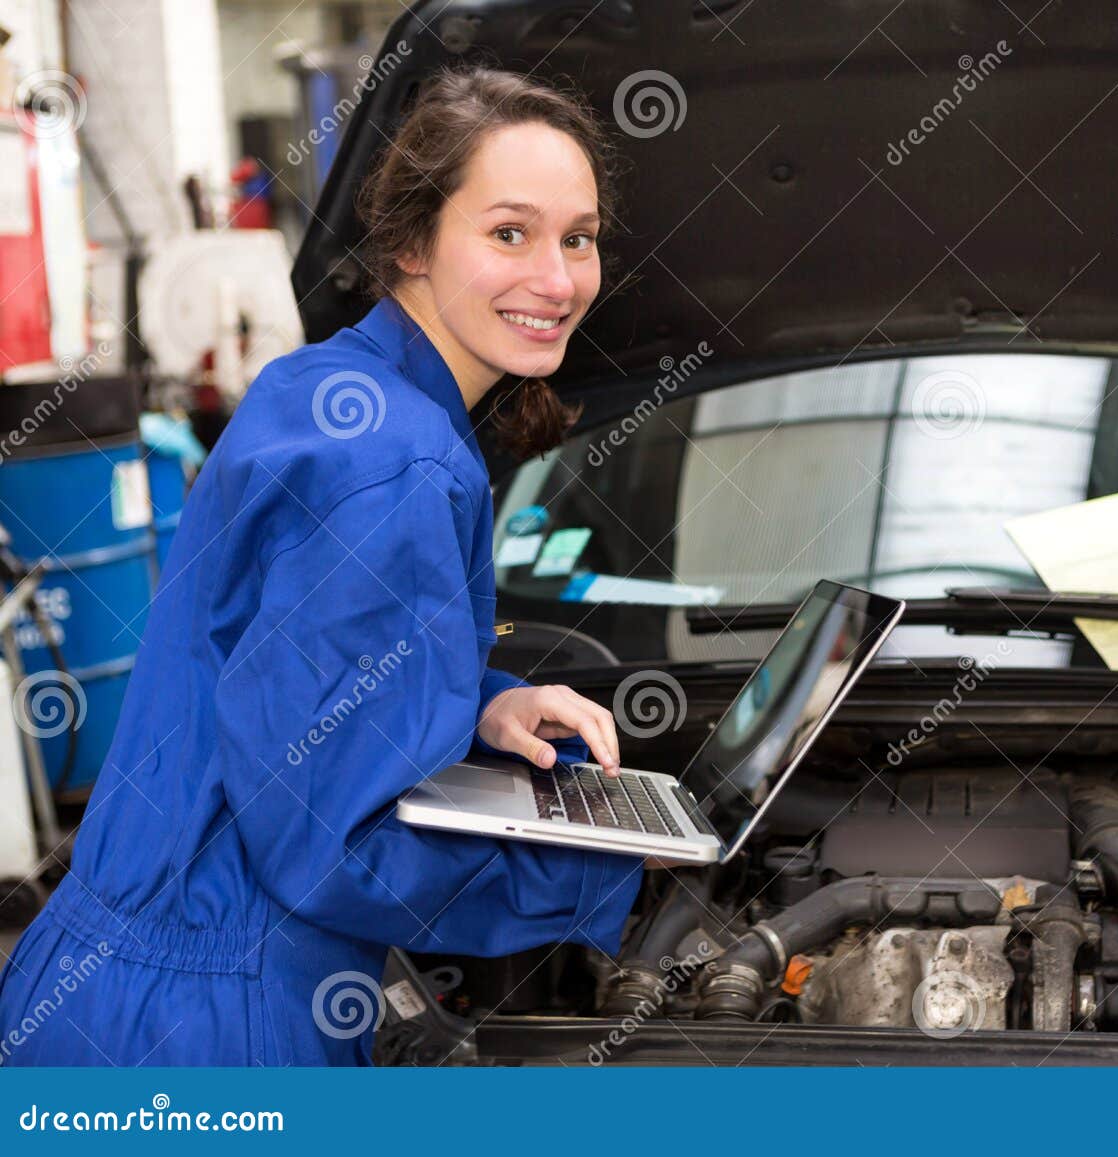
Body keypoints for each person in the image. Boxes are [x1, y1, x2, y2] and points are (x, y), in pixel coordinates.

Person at [0, 68, 650, 1066]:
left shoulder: (329, 386)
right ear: (407, 242)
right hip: (216, 1025)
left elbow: (283, 667)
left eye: (579, 236)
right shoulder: (397, 460)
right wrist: (613, 872)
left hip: (114, 986)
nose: (557, 278)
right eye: (509, 232)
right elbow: (337, 845)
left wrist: (475, 700)